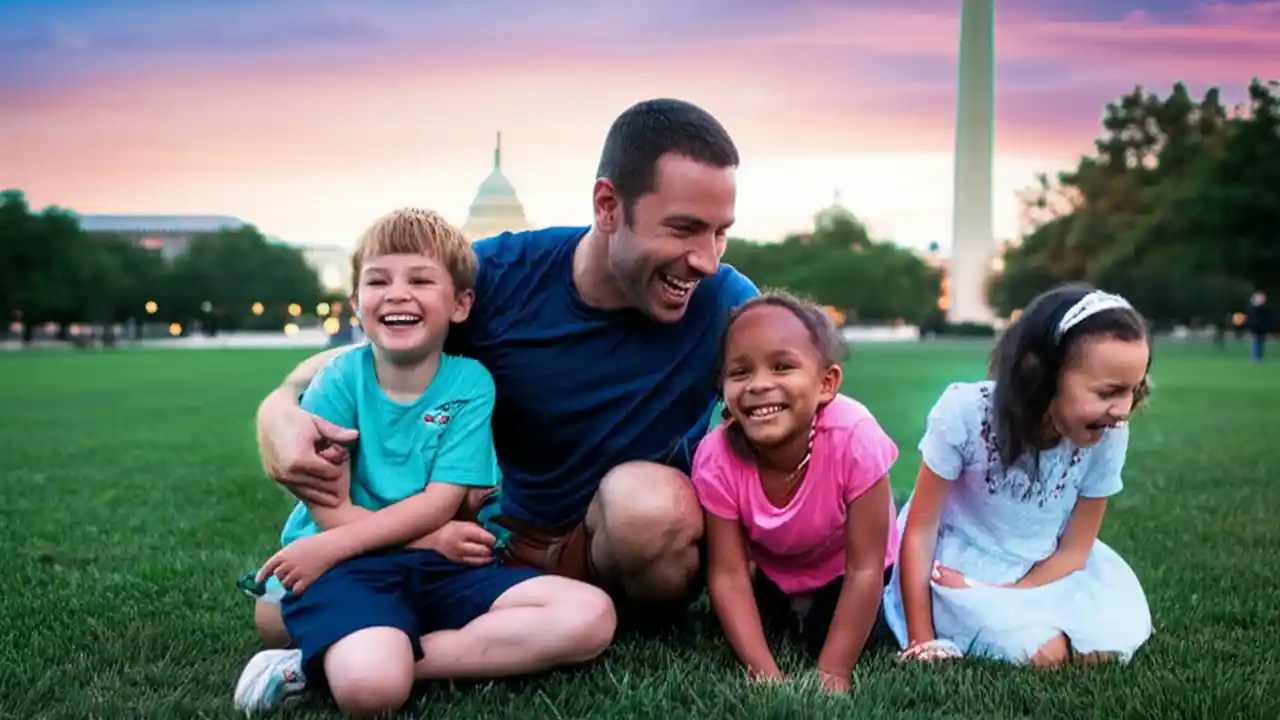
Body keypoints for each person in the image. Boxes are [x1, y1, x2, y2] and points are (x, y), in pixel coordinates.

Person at [252, 98, 758, 638]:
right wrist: (278, 410)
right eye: (683, 229)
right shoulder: (494, 278)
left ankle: (575, 620)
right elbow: (357, 362)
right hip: (487, 541)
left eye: (719, 232)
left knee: (650, 503)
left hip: (614, 543)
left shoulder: (724, 302)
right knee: (279, 614)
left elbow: (801, 394)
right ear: (608, 205)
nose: (706, 258)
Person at [234, 208, 616, 716]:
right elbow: (328, 508)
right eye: (378, 281)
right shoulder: (339, 379)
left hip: (435, 569)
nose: (397, 293)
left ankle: (314, 663)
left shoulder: (471, 384)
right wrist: (430, 538)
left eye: (419, 279)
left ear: (460, 305)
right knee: (373, 692)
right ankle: (353, 657)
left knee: (589, 615)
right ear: (356, 303)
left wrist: (431, 543)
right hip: (343, 564)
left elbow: (441, 502)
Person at [884, 283, 1154, 668]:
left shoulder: (1108, 434)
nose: (1123, 410)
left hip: (1047, 569)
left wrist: (1009, 592)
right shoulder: (965, 412)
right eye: (1109, 392)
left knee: (1104, 647)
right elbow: (919, 531)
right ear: (1041, 374)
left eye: (1133, 390)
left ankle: (1035, 620)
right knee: (1043, 654)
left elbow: (1076, 551)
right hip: (958, 568)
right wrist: (922, 639)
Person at [690, 292, 899, 693]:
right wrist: (763, 672)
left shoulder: (854, 436)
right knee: (747, 627)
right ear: (723, 388)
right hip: (775, 572)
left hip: (847, 571)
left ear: (826, 383)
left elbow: (865, 568)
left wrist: (833, 672)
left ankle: (812, 616)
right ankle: (790, 610)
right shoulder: (716, 456)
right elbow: (729, 573)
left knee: (833, 633)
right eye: (740, 372)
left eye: (783, 366)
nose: (760, 385)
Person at [1245, 291, 1271, 363]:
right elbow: (1251, 319)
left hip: (1262, 328)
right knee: (1256, 342)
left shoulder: (1264, 308)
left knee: (1261, 343)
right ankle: (1256, 357)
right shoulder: (1252, 308)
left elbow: (1266, 318)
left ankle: (1260, 356)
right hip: (1255, 328)